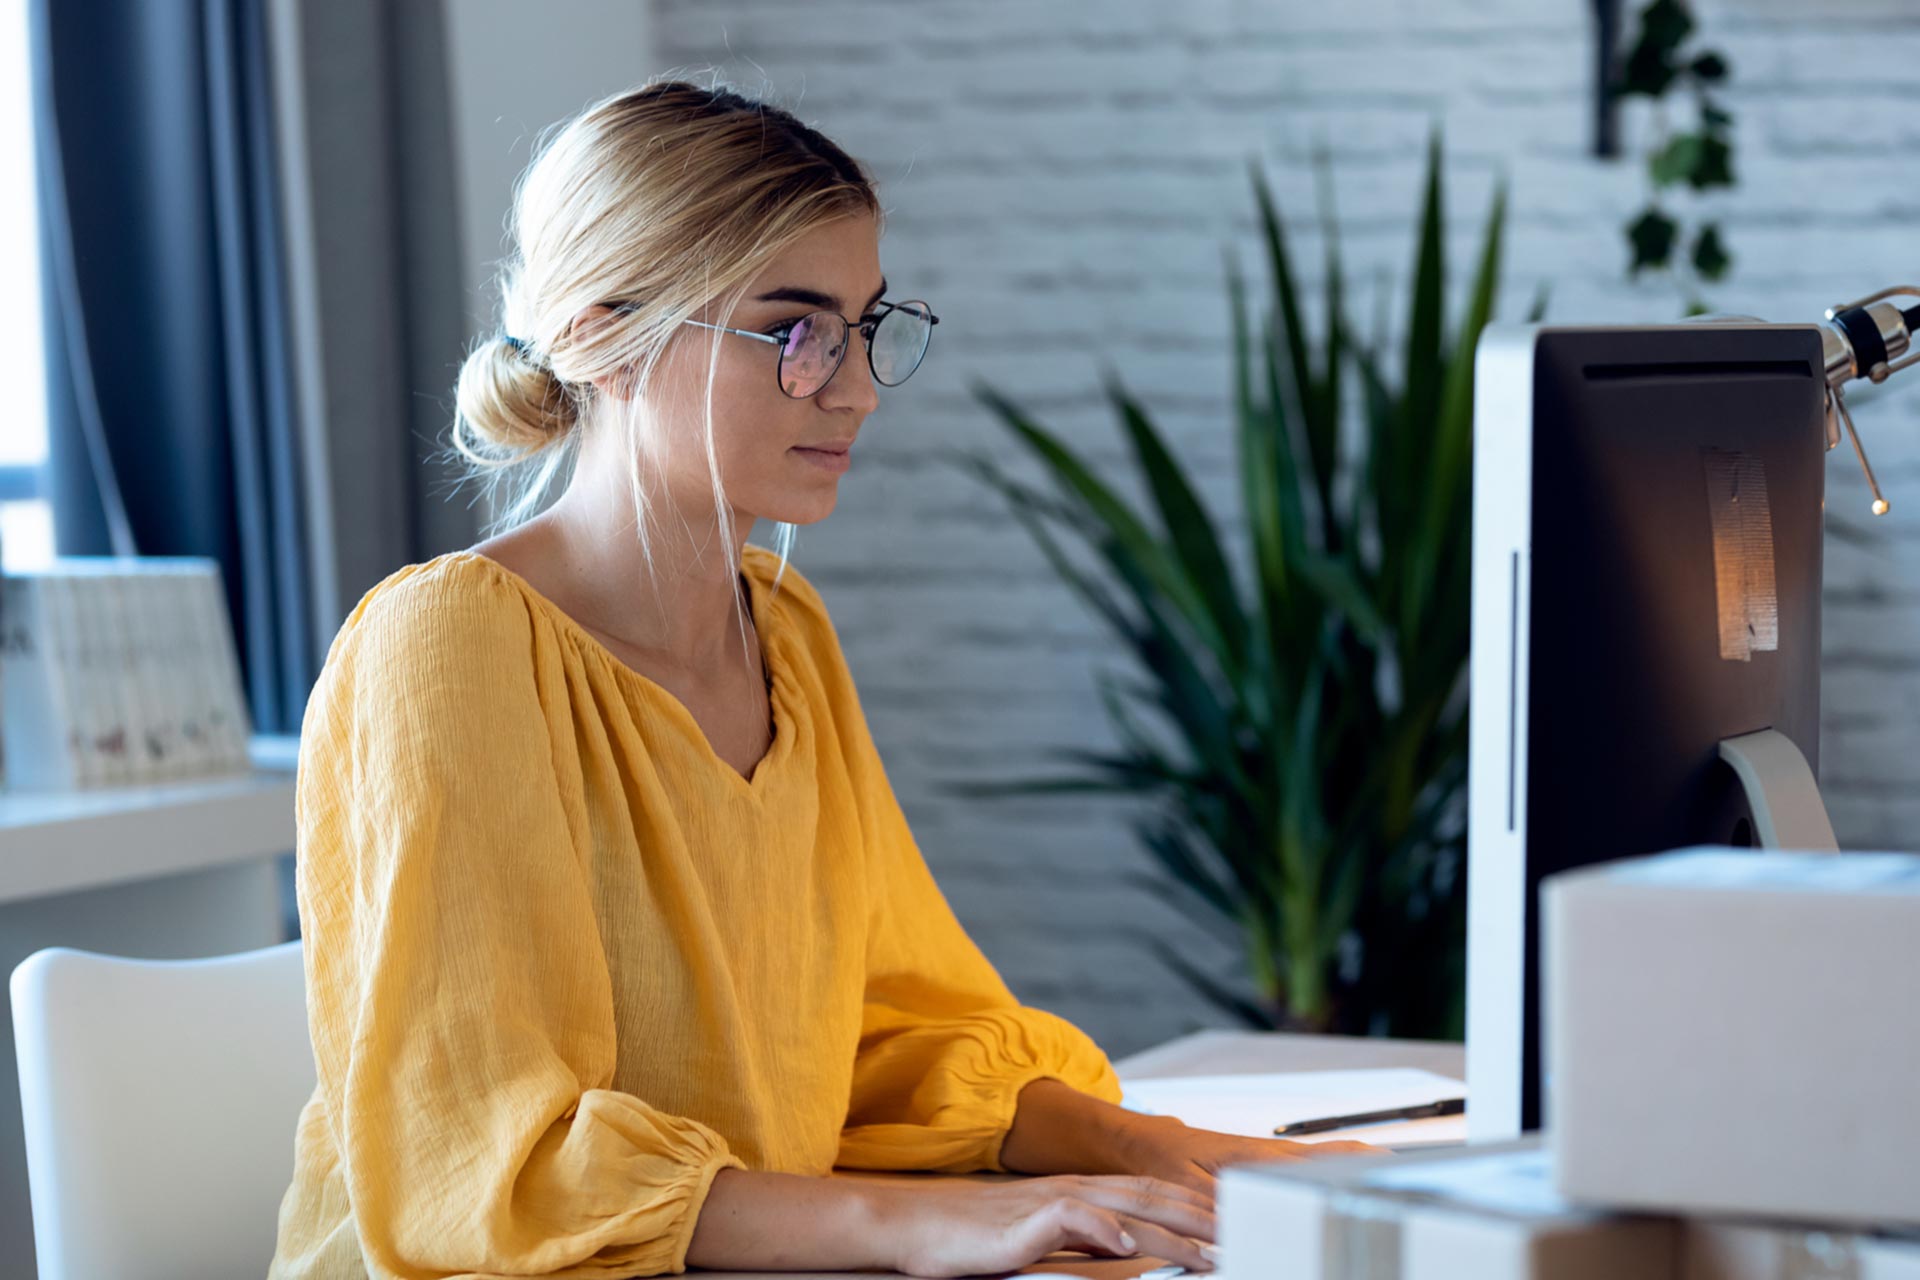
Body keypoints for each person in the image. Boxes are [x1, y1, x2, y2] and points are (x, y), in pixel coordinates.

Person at [267, 78, 1375, 1280]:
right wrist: (920, 1223)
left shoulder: (784, 632)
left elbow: (884, 1032)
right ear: (601, 335)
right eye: (793, 332)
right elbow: (492, 1168)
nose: (850, 388)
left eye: (862, 327)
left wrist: (1156, 1148)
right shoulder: (449, 646)